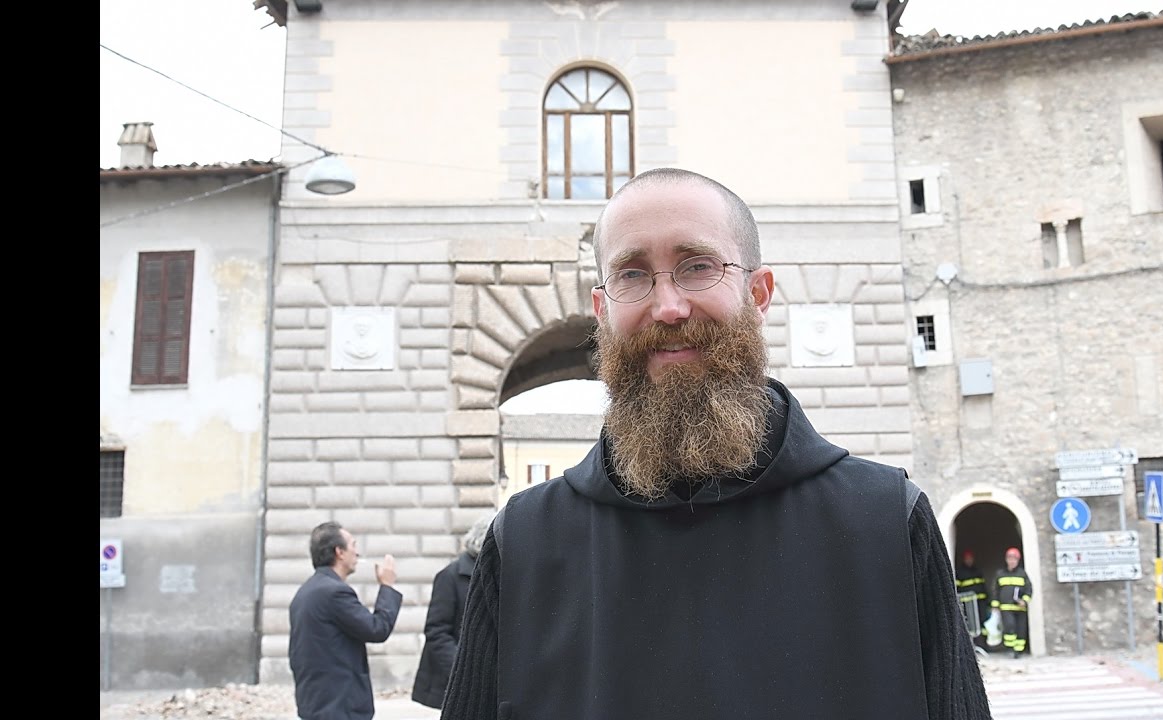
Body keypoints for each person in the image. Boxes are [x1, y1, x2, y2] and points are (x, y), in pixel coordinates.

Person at [440, 167, 991, 719]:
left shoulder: (886, 522)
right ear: (603, 309)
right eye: (631, 274)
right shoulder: (523, 544)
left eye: (698, 267)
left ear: (758, 293)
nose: (669, 306)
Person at [288, 521, 402, 720]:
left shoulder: (307, 591)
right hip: (338, 707)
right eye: (353, 546)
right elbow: (377, 629)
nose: (357, 554)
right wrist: (387, 587)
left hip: (317, 703)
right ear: (339, 552)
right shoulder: (334, 592)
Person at [411, 513, 495, 709]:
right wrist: (464, 670)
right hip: (456, 679)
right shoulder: (450, 576)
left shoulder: (495, 572)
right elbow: (436, 631)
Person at [991, 546, 1033, 658]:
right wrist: (995, 605)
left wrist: (1024, 600)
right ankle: (1010, 648)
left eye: (1014, 559)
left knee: (1021, 629)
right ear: (1006, 560)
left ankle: (1018, 651)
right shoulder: (1000, 574)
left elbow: (1029, 589)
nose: (1012, 561)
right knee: (1009, 626)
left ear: (1018, 560)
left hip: (1020, 608)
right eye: (1010, 558)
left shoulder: (1022, 574)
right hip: (1006, 607)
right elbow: (995, 590)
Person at [955, 548, 991, 647]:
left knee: (982, 624)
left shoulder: (977, 571)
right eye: (967, 559)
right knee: (970, 625)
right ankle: (972, 646)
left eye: (970, 558)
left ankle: (984, 645)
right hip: (968, 604)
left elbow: (983, 587)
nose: (969, 560)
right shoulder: (960, 573)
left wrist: (988, 601)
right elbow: (957, 589)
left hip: (980, 603)